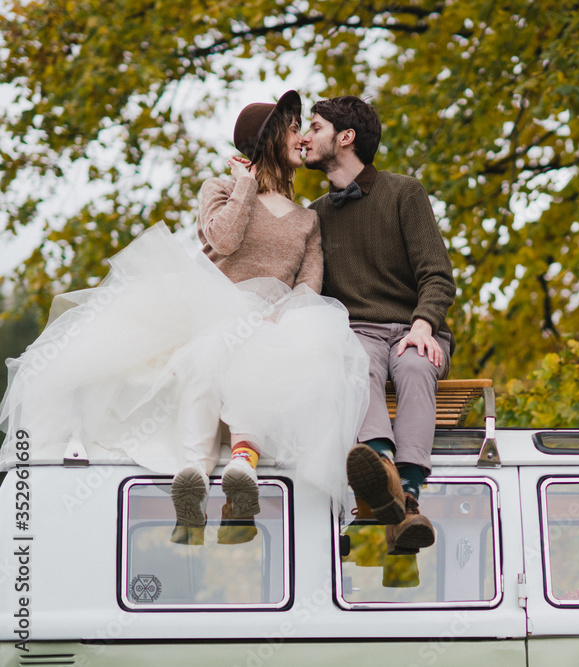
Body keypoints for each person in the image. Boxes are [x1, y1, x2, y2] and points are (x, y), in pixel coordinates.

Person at [0, 91, 370, 543]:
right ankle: (191, 478)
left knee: (261, 361)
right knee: (207, 360)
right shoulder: (220, 189)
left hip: (273, 320)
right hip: (214, 309)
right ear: (270, 138)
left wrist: (283, 317)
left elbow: (309, 283)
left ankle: (242, 465)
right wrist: (245, 186)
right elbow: (224, 239)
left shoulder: (306, 219)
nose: (301, 138)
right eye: (293, 128)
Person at [302, 95, 456, 555]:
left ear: (344, 138)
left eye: (314, 127)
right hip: (357, 333)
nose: (305, 137)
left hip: (415, 328)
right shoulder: (314, 214)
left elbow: (437, 274)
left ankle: (407, 491)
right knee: (354, 364)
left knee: (412, 367)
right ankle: (385, 475)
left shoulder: (404, 192)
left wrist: (425, 324)